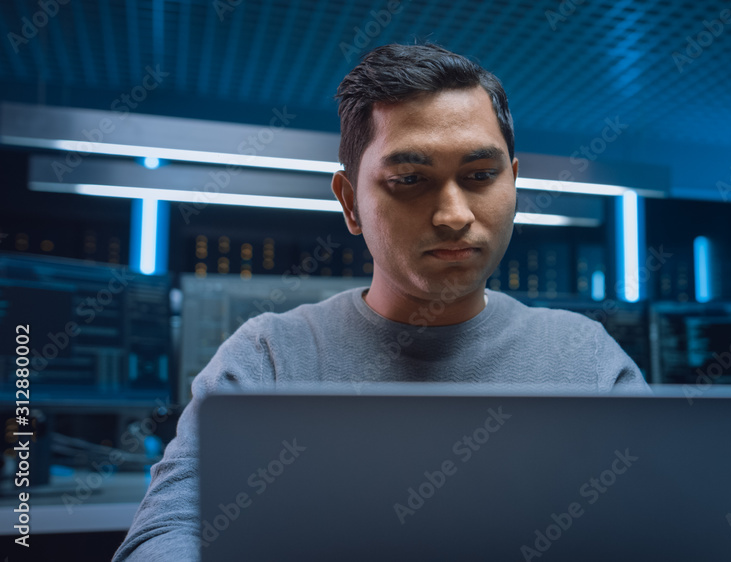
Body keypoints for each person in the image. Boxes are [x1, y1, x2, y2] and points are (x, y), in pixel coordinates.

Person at [113, 42, 650, 561]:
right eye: (410, 179)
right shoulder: (268, 360)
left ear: (513, 181)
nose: (454, 215)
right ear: (350, 203)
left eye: (480, 176)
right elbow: (163, 533)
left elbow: (663, 527)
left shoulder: (586, 359)